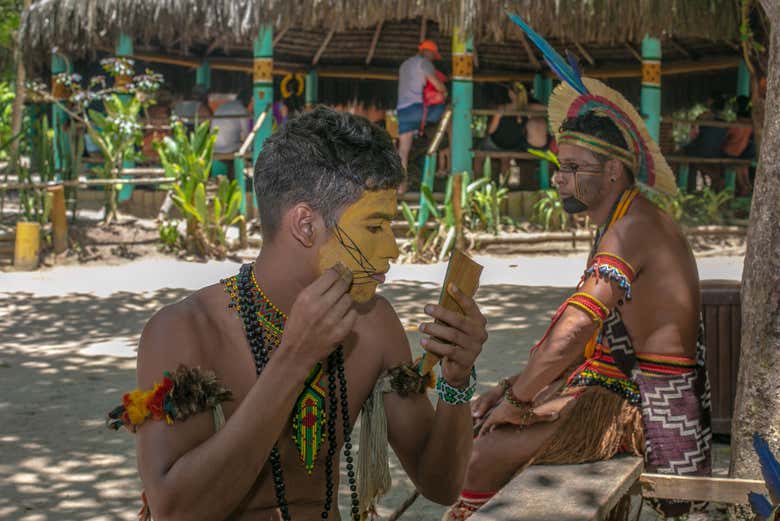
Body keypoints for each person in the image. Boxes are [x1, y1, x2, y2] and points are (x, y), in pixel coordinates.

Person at [107, 107, 488, 520]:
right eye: (376, 227)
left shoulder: (374, 323)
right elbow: (175, 512)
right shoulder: (183, 331)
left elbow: (441, 484)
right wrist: (295, 357)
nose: (393, 248)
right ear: (305, 224)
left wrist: (455, 382)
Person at [444, 28, 711, 520]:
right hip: (618, 390)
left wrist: (521, 402)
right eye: (558, 165)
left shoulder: (631, 228)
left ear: (612, 172)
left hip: (641, 409)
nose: (559, 177)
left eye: (572, 166)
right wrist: (511, 389)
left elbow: (580, 326)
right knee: (482, 427)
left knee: (480, 455)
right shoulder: (625, 219)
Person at [396, 40, 448, 172]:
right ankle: (451, 159)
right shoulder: (424, 63)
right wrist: (445, 92)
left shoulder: (404, 64)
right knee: (453, 114)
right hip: (419, 110)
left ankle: (400, 186)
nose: (433, 58)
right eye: (433, 55)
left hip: (403, 111)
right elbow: (437, 85)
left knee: (403, 150)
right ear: (428, 52)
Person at [481, 82, 549, 152]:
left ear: (510, 93)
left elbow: (490, 130)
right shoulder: (526, 108)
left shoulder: (505, 108)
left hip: (504, 144)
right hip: (508, 144)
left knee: (483, 153)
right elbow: (546, 108)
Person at [213, 88, 253, 155]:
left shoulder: (224, 105)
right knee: (248, 148)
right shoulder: (241, 109)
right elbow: (247, 135)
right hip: (228, 148)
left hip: (214, 147)